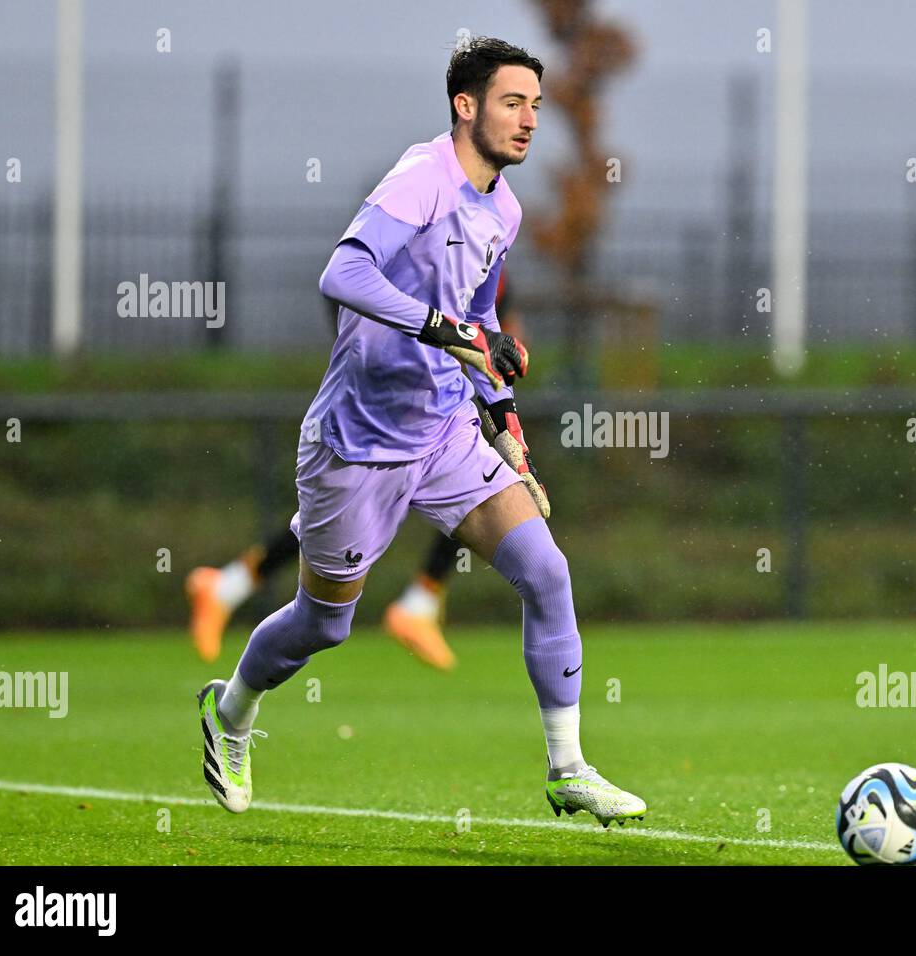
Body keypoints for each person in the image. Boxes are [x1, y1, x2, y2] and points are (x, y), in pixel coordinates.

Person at [195, 37, 646, 828]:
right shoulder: (420, 177)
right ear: (464, 106)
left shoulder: (502, 209)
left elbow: (474, 319)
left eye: (537, 105)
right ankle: (230, 713)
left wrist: (501, 412)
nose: (530, 120)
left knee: (546, 571)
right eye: (513, 102)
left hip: (443, 433)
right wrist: (446, 330)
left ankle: (569, 767)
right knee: (324, 623)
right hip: (356, 443)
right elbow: (343, 274)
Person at [186, 266, 527, 671]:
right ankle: (230, 590)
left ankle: (230, 586)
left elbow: (499, 331)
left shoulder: (487, 258)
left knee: (477, 483)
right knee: (347, 515)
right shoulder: (413, 238)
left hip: (432, 404)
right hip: (383, 395)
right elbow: (350, 285)